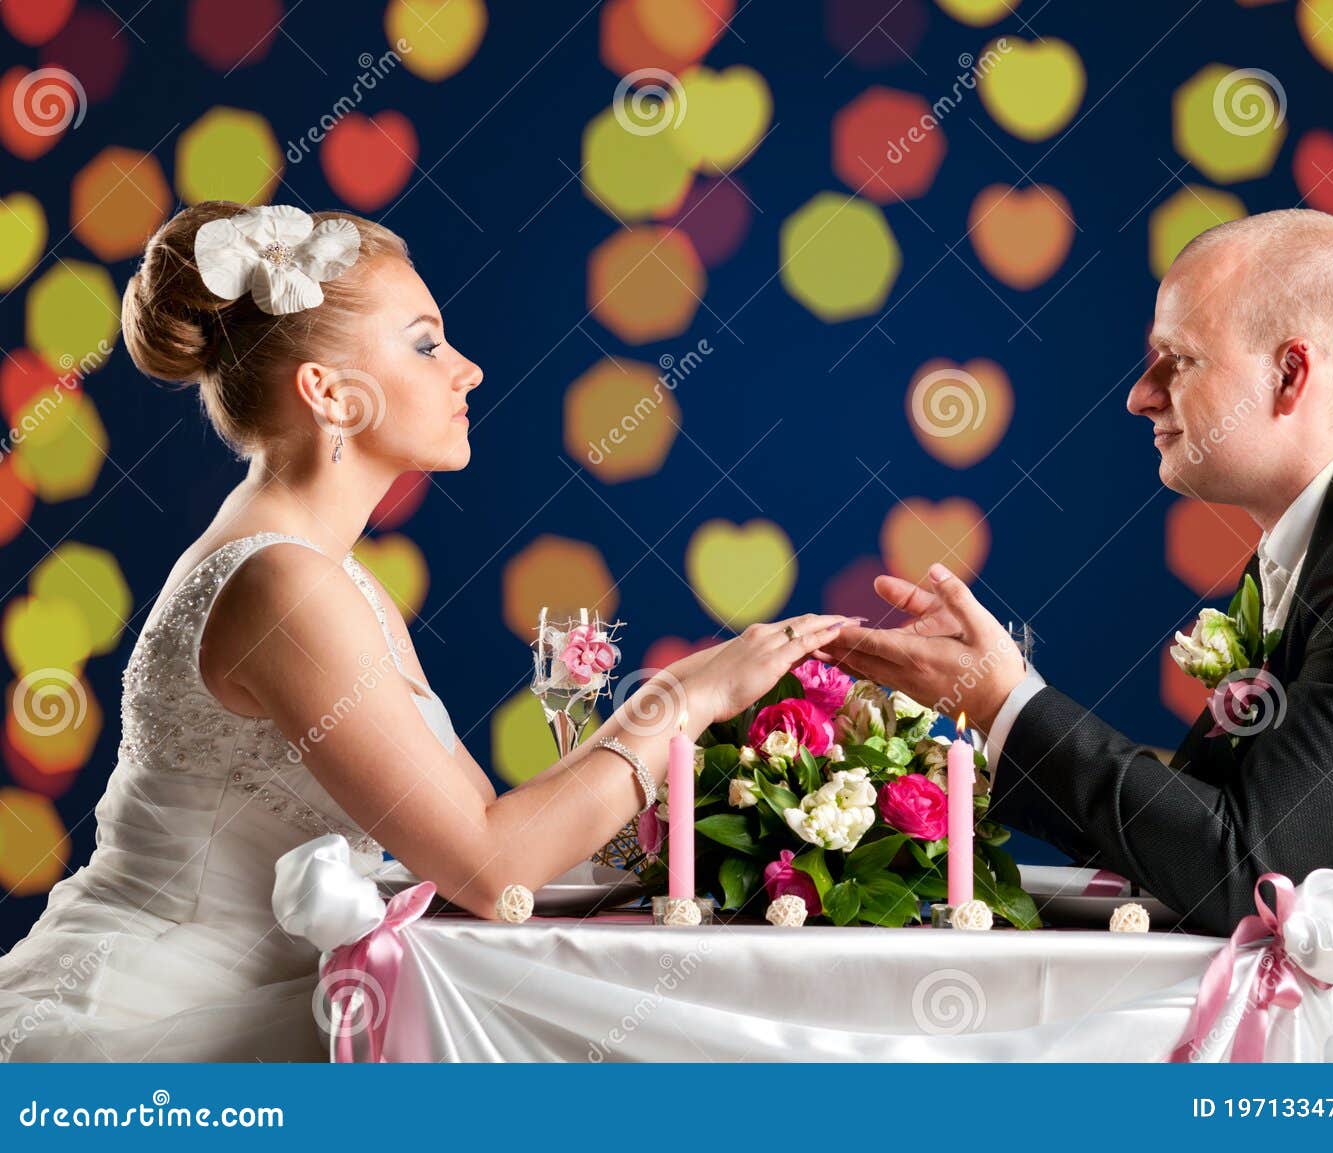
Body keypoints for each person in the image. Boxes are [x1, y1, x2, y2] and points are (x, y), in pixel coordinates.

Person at [0, 202, 849, 1062]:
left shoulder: (328, 575)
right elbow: (493, 870)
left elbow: (492, 834)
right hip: (150, 1028)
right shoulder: (286, 584)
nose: (469, 370)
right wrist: (686, 697)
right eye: (425, 343)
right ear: (326, 392)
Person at [826, 209, 1333, 1060]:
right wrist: (982, 723)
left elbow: (1244, 865)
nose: (1140, 393)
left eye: (1177, 360)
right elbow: (1190, 836)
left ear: (1290, 374)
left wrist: (1007, 703)